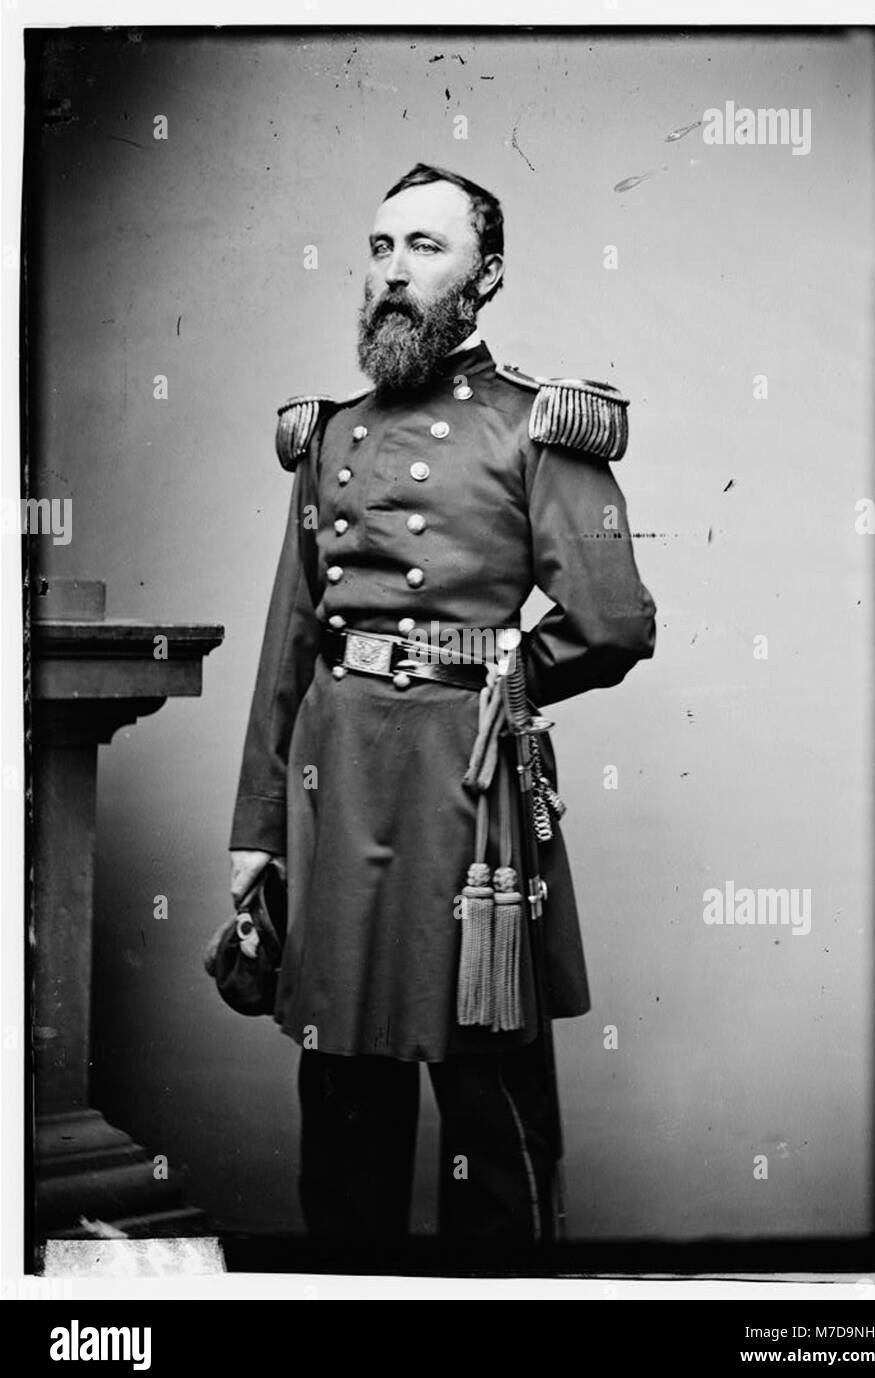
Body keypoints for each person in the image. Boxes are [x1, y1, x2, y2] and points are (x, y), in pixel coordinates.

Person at [228, 162, 656, 1262]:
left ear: (486, 275)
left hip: (464, 800)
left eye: (423, 247)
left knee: (489, 1110)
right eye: (379, 249)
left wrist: (503, 681)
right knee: (342, 1094)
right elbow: (288, 642)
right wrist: (255, 829)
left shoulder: (540, 426)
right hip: (336, 784)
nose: (393, 272)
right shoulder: (326, 435)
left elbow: (611, 620)